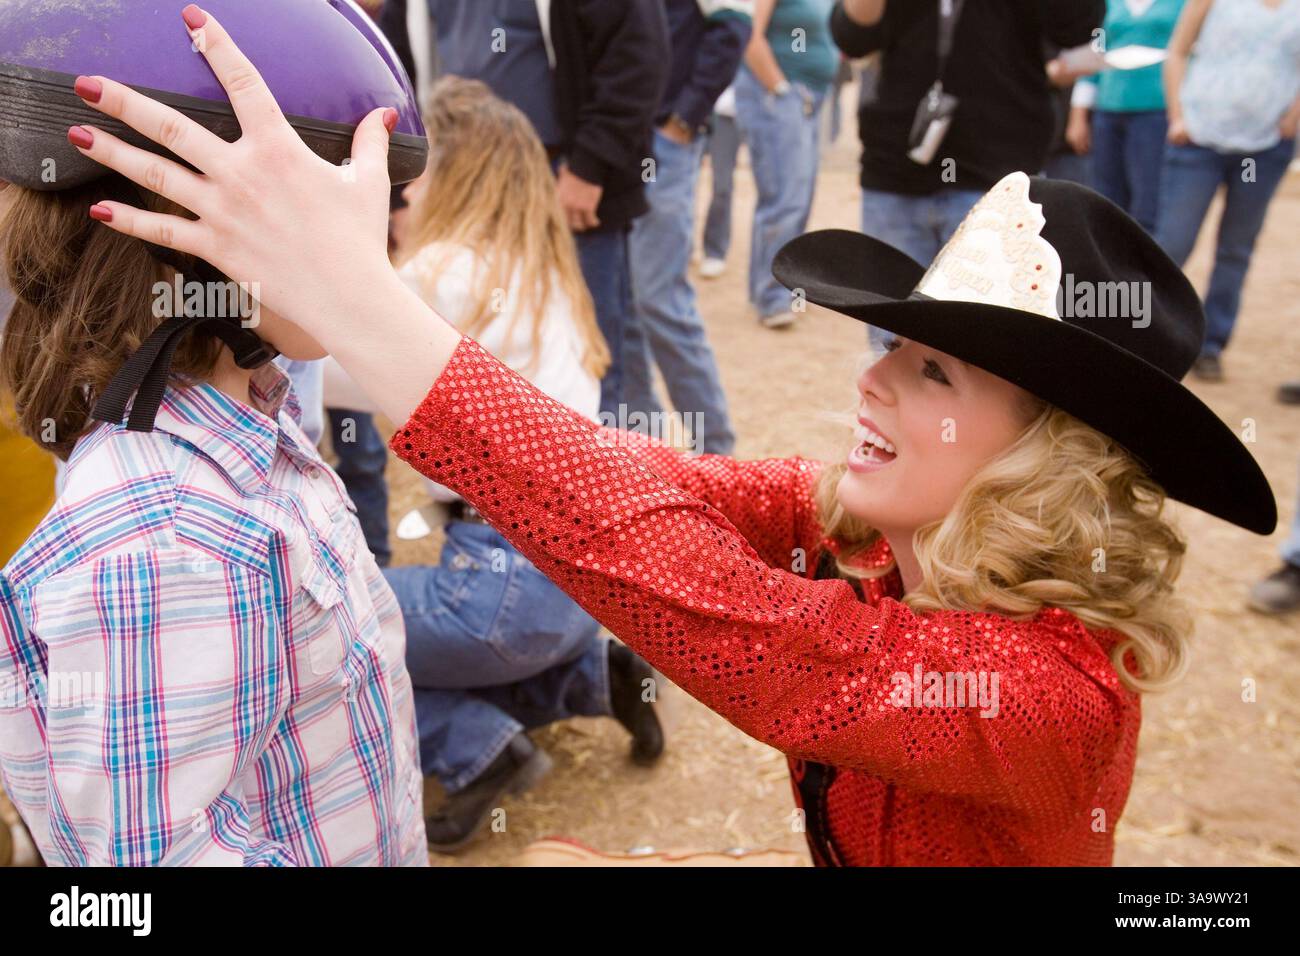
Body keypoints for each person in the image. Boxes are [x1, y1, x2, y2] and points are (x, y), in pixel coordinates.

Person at [79, 10, 1278, 864]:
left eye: (928, 367)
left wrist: (358, 303)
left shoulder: (1041, 694)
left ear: (1041, 454)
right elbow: (627, 483)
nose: (869, 381)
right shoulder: (867, 531)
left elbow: (718, 608)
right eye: (889, 346)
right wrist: (350, 306)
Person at [0, 1, 429, 866]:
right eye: (343, 204)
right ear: (190, 239)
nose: (377, 247)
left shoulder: (254, 430)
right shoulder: (166, 542)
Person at [332, 76, 665, 852]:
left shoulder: (442, 272)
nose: (402, 187)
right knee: (448, 629)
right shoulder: (540, 270)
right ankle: (593, 678)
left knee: (332, 624)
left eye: (413, 167)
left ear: (451, 171)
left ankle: (477, 747)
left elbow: (332, 382)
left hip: (505, 589)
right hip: (579, 589)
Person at [385, 0, 670, 416]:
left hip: (560, 175)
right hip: (454, 175)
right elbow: (394, 68)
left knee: (590, 344)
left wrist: (591, 167)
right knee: (482, 339)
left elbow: (637, 56)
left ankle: (614, 469)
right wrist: (402, 192)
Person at [833, 0, 1103, 349]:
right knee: (891, 342)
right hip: (894, 169)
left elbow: (1077, 28)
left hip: (999, 175)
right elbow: (852, 37)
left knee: (983, 349)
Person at [621, 0, 750, 457]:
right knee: (623, 307)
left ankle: (716, 453)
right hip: (616, 137)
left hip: (661, 137)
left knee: (658, 299)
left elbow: (734, 25)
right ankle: (642, 454)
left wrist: (683, 119)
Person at [1152, 0, 1300, 382]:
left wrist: (1292, 116)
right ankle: (1148, 334)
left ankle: (1211, 345)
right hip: (1198, 139)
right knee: (1173, 242)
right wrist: (1177, 115)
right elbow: (1178, 51)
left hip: (1265, 148)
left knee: (1236, 248)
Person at [734, 0, 840, 329]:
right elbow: (749, 34)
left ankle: (779, 290)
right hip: (780, 94)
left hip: (810, 97)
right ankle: (771, 298)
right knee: (784, 198)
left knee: (800, 197)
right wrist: (781, 89)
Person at [1068, 0, 1185, 235]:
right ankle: (1110, 267)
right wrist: (1078, 116)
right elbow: (1095, 54)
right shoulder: (1109, 4)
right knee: (1105, 200)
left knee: (1147, 200)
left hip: (1156, 111)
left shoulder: (1180, 4)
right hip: (1108, 110)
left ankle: (1144, 266)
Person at [699, 84, 742, 279]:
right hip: (711, 109)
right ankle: (706, 250)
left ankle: (715, 251)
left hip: (733, 112)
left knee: (723, 186)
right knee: (719, 186)